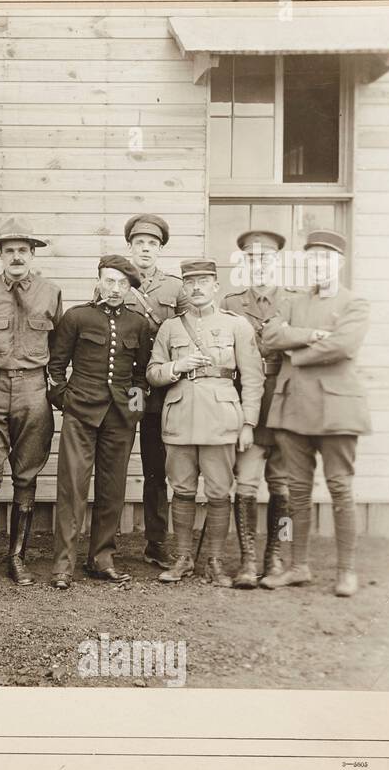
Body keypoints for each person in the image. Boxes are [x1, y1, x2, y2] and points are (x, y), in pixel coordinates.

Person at [260, 231, 370, 597]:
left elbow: (344, 345)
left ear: (340, 263)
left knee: (340, 488)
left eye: (326, 259)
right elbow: (270, 337)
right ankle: (298, 566)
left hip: (337, 408)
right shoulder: (292, 302)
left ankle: (346, 571)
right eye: (313, 260)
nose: (319, 266)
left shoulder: (355, 303)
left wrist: (298, 352)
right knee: (298, 491)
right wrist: (311, 335)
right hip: (292, 407)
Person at [146, 260, 264, 585]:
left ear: (215, 286)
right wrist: (177, 365)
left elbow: (253, 379)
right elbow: (153, 373)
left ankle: (214, 561)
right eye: (191, 282)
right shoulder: (170, 328)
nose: (196, 288)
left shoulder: (236, 325)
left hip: (221, 419)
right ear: (183, 288)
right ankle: (183, 558)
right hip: (180, 417)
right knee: (181, 490)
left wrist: (249, 423)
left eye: (204, 281)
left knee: (218, 493)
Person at [0, 218, 63, 589]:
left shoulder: (50, 293)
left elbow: (58, 351)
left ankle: (17, 557)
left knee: (27, 476)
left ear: (33, 254)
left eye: (23, 250)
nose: (16, 257)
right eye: (9, 251)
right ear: (0, 256)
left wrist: (55, 389)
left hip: (34, 392)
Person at [46, 256, 150, 589]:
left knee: (113, 489)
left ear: (129, 287)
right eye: (110, 281)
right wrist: (66, 401)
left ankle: (101, 558)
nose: (116, 289)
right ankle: (64, 563)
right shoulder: (77, 317)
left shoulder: (138, 323)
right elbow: (56, 367)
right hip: (80, 412)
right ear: (99, 281)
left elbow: (140, 377)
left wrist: (134, 411)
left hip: (120, 417)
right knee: (72, 487)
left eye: (122, 283)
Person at [220, 229, 293, 588]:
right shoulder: (231, 305)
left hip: (285, 401)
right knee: (246, 481)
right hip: (248, 401)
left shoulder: (293, 302)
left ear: (277, 262)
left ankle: (276, 558)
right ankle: (248, 560)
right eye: (251, 259)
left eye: (265, 259)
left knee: (284, 485)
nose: (259, 265)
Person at [122, 213, 186, 570]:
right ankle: (102, 543)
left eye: (152, 244)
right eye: (139, 243)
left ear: (160, 250)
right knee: (113, 463)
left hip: (160, 386)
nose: (145, 249)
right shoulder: (116, 283)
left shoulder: (174, 289)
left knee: (156, 468)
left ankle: (156, 541)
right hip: (124, 385)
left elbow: (189, 332)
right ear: (130, 247)